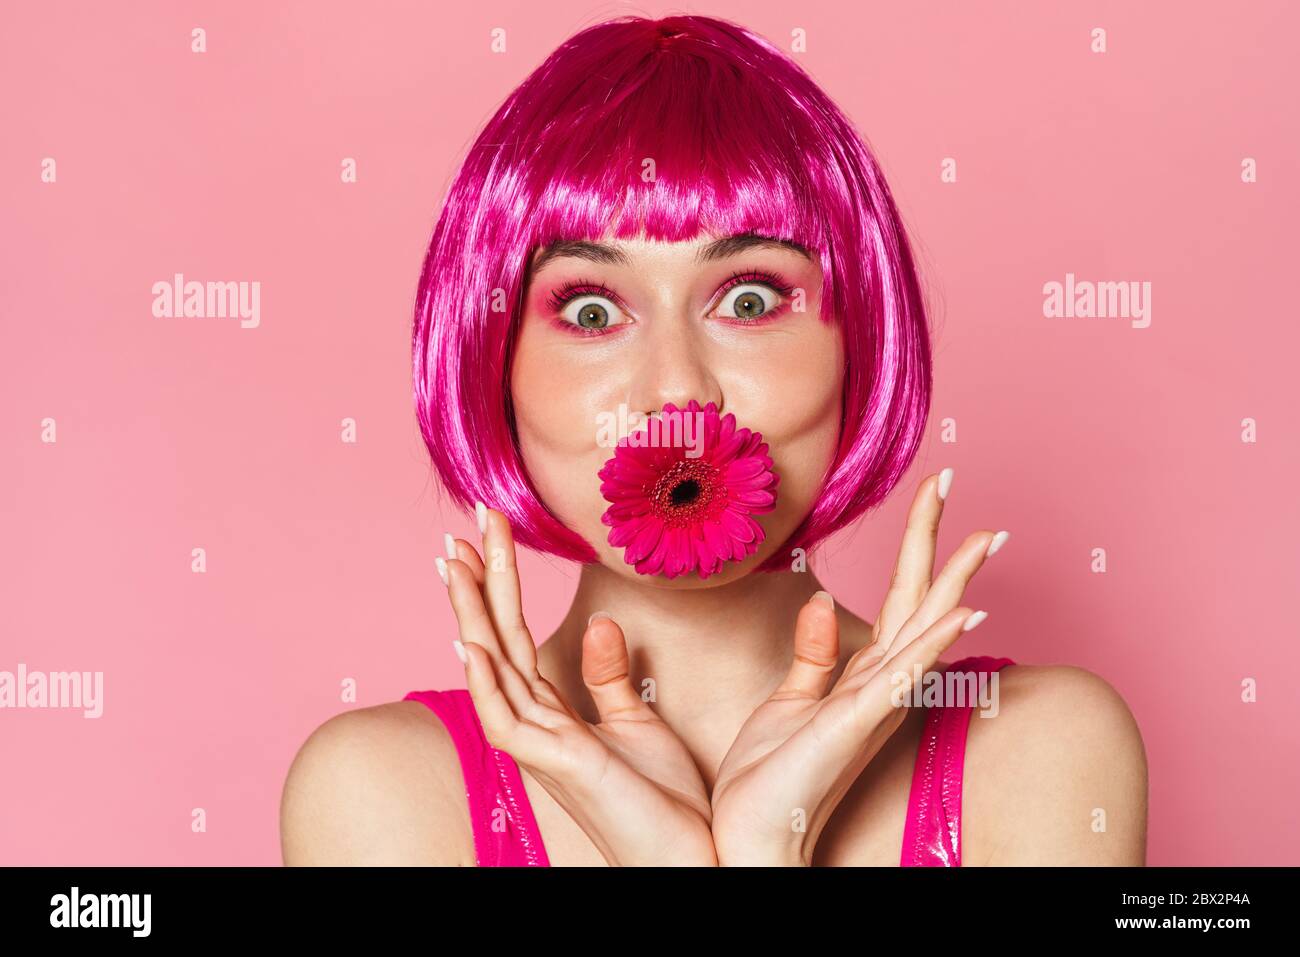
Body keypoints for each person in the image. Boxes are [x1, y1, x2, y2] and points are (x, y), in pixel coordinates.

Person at [280, 14, 1147, 866]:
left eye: (749, 301)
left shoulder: (1044, 751)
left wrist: (773, 845)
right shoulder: (380, 794)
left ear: (863, 340)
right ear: (492, 361)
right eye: (590, 311)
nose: (677, 389)